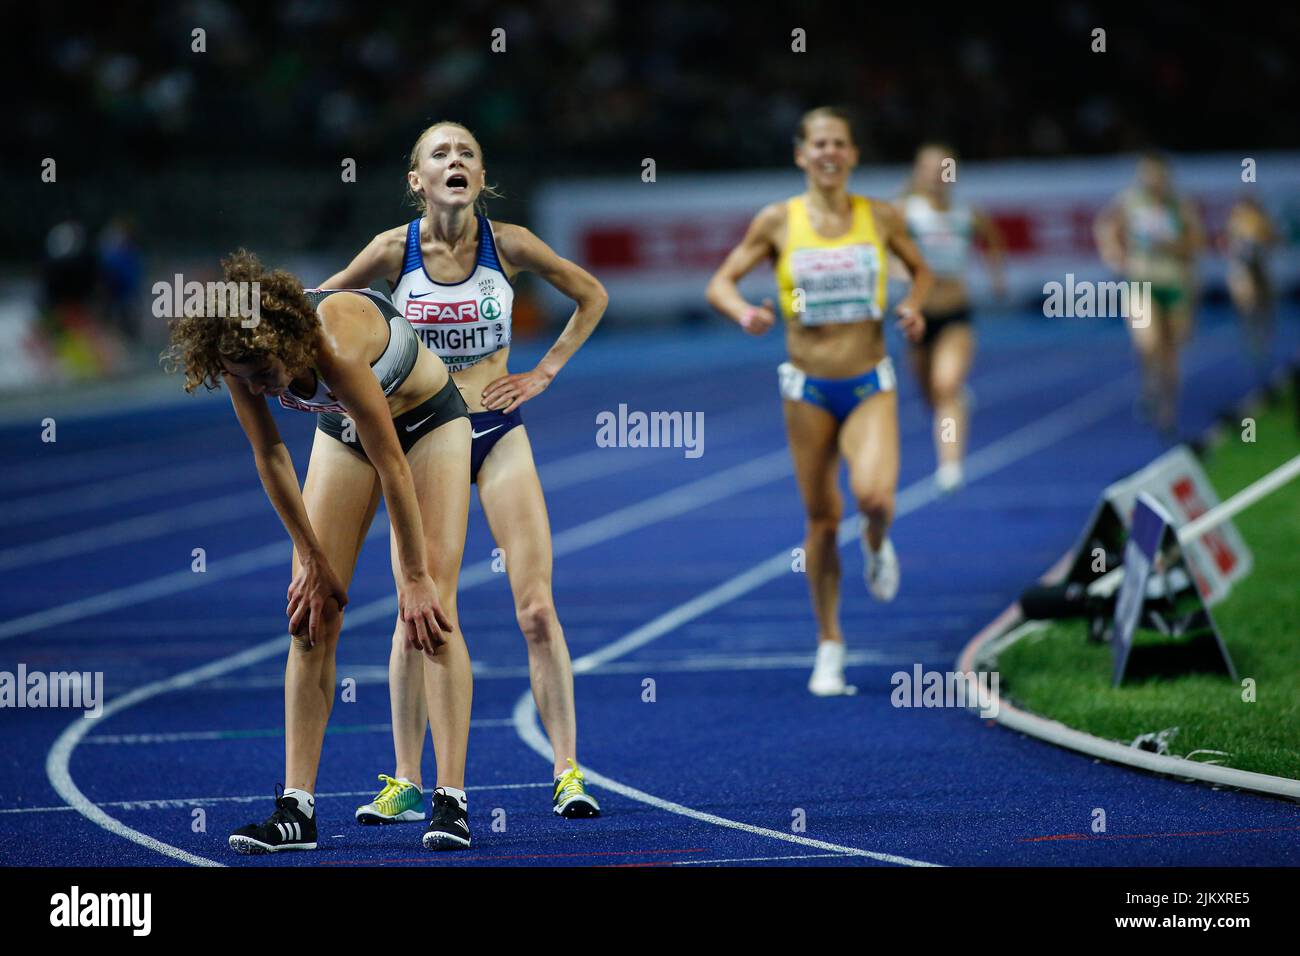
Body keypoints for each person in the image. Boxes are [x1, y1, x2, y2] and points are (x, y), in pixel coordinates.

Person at [324, 120, 609, 819]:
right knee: (418, 609)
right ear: (416, 179)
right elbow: (316, 312)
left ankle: (568, 770)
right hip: (422, 439)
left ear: (481, 179)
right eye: (441, 154)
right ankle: (404, 778)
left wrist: (543, 372)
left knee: (537, 608)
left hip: (496, 430)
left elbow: (591, 294)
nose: (457, 161)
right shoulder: (392, 251)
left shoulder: (507, 245)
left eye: (469, 155)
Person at [163, 250, 476, 851]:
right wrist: (310, 558)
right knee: (310, 619)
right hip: (345, 430)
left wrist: (412, 577)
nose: (258, 384)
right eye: (243, 376)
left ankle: (451, 800)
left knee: (432, 610)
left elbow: (393, 465)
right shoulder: (238, 356)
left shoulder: (332, 342)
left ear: (286, 339)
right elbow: (272, 455)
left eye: (263, 370)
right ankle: (296, 810)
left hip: (426, 421)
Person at [705, 106, 932, 697]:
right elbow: (720, 283)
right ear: (801, 155)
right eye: (819, 144)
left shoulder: (880, 216)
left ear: (852, 155)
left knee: (875, 497)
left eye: (840, 143)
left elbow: (920, 270)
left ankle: (878, 542)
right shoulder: (778, 221)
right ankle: (830, 644)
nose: (830, 153)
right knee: (824, 523)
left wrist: (914, 306)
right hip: (805, 389)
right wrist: (745, 312)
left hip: (867, 383)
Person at [897, 143, 1005, 492]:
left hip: (956, 313)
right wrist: (900, 273)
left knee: (946, 387)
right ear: (918, 173)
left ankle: (950, 466)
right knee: (930, 394)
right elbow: (881, 249)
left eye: (944, 169)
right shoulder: (905, 212)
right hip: (918, 318)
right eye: (929, 169)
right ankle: (954, 402)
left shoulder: (966, 213)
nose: (936, 176)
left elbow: (993, 240)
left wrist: (995, 277)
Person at [1094, 152, 1203, 434]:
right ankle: (1148, 386)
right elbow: (1105, 225)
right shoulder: (1130, 201)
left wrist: (1173, 245)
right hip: (1141, 282)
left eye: (1158, 176)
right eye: (1147, 176)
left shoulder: (1180, 206)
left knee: (1171, 351)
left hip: (1174, 283)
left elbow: (1196, 244)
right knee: (1148, 342)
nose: (1153, 182)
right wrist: (1114, 253)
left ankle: (1168, 411)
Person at [1223, 195, 1279, 367]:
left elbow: (1274, 241)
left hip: (1258, 268)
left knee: (1264, 304)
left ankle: (1261, 332)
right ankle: (1251, 328)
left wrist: (1262, 241)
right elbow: (1229, 246)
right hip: (1242, 270)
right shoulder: (1235, 222)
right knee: (1247, 300)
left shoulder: (1262, 223)